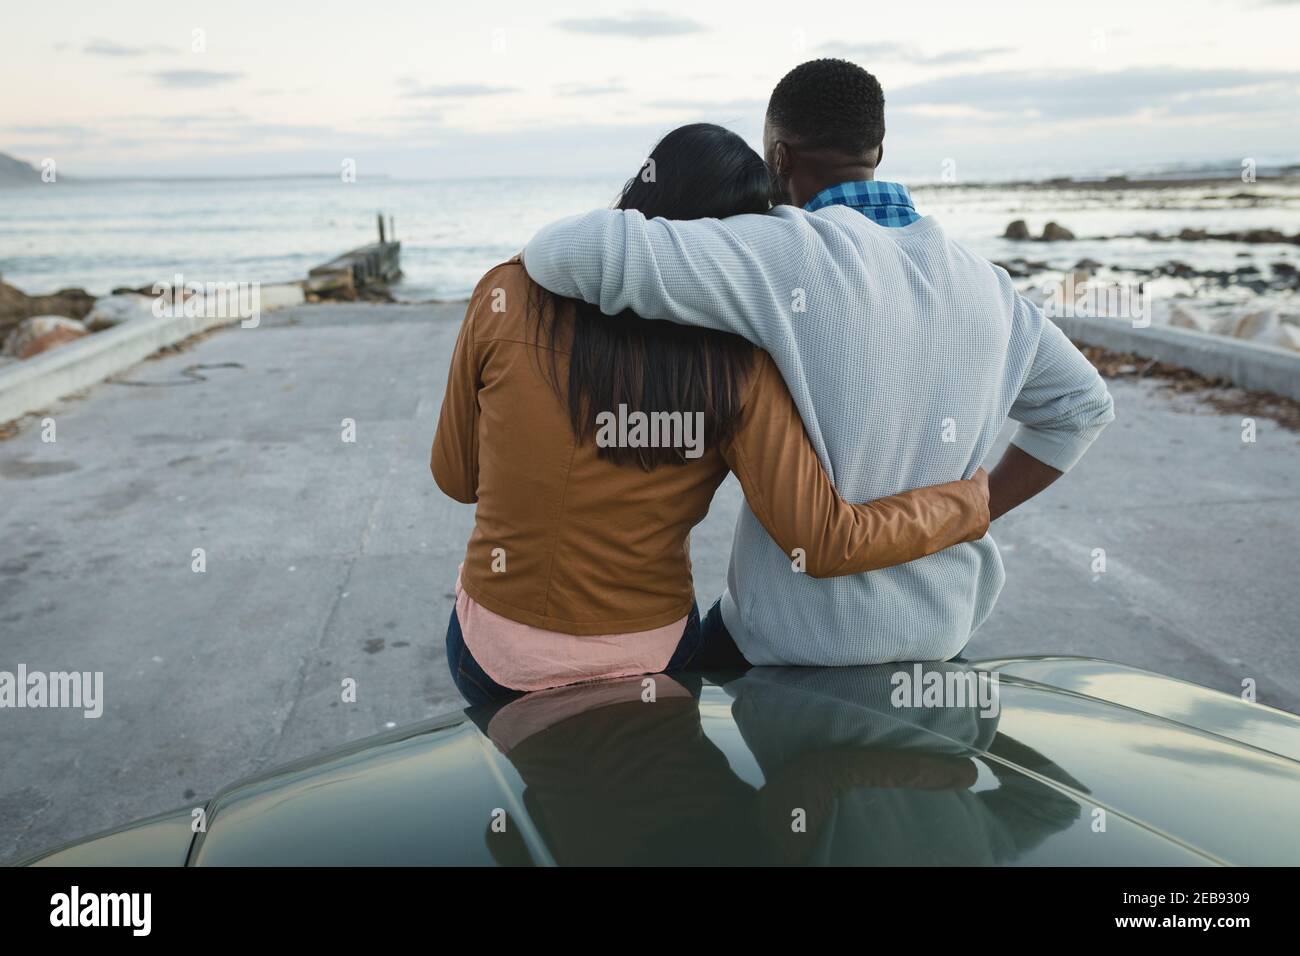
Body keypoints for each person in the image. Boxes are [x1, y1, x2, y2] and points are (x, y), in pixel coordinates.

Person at [522, 60, 1115, 668]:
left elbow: (560, 250)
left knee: (673, 678)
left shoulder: (784, 250)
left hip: (789, 640)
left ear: (779, 157)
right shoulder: (987, 285)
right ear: (878, 149)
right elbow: (1083, 407)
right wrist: (973, 509)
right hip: (941, 632)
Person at [432, 123, 991, 705]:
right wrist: (965, 504)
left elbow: (456, 479)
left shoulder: (506, 294)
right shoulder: (740, 360)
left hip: (494, 653)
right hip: (649, 657)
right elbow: (824, 540)